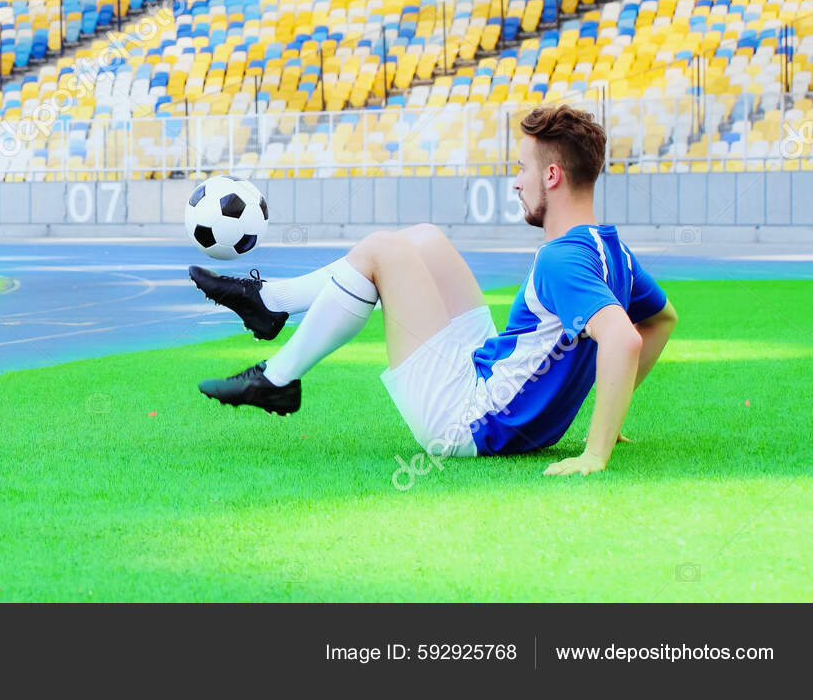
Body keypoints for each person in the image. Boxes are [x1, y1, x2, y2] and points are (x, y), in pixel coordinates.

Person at [188, 103, 678, 475]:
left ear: (552, 176)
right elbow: (661, 320)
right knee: (426, 238)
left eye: (523, 169)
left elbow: (625, 337)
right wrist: (607, 415)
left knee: (381, 250)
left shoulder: (561, 259)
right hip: (492, 383)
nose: (515, 183)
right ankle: (270, 303)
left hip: (469, 419)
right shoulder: (610, 249)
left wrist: (597, 450)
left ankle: (276, 375)